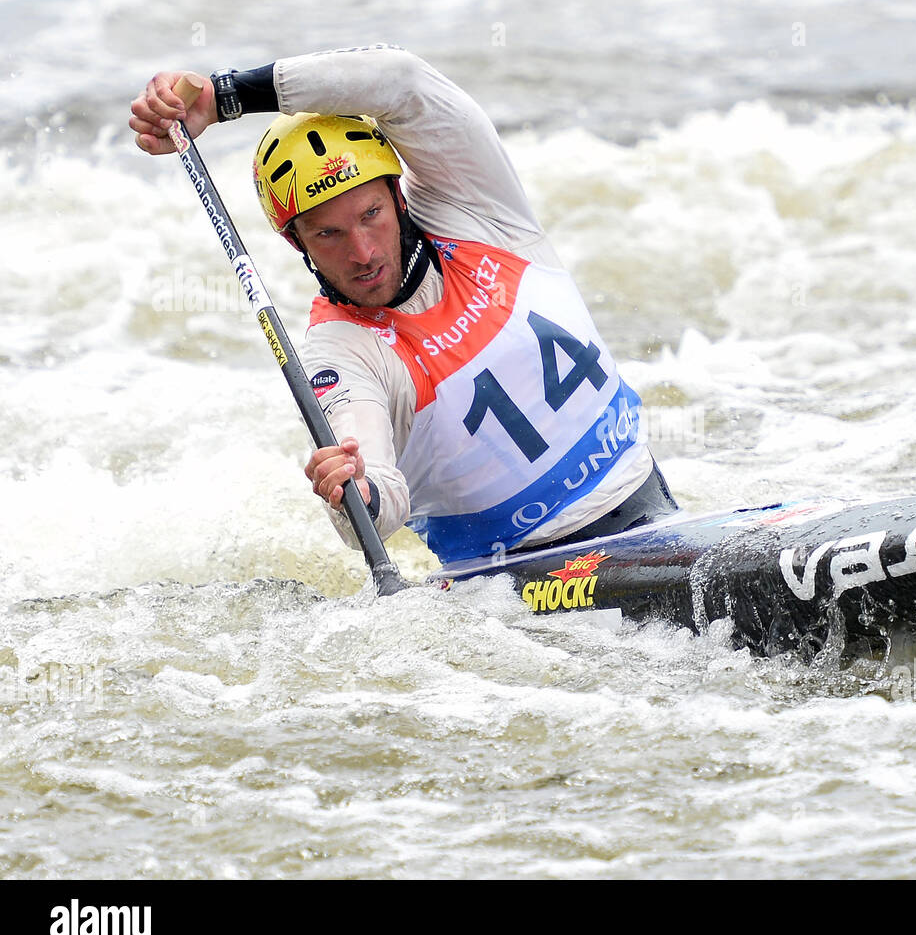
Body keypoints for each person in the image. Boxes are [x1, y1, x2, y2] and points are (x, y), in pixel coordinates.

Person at [130, 44, 676, 564]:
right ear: (297, 244)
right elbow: (378, 496)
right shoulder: (341, 350)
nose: (363, 253)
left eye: (370, 215)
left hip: (653, 512)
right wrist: (356, 492)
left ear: (397, 194)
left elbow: (401, 80)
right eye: (328, 234)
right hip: (526, 581)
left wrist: (223, 97)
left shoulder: (479, 208)